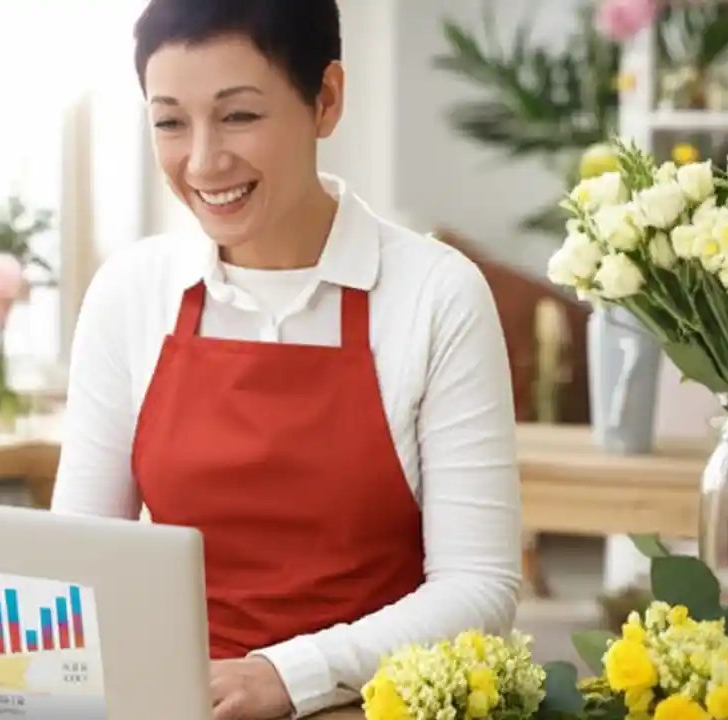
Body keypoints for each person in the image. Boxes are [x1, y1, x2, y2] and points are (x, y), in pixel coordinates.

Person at [49, 1, 522, 718]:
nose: (203, 161)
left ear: (325, 100)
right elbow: (78, 563)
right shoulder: (130, 292)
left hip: (372, 702)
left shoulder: (436, 294)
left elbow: (479, 588)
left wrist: (284, 674)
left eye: (239, 116)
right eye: (170, 121)